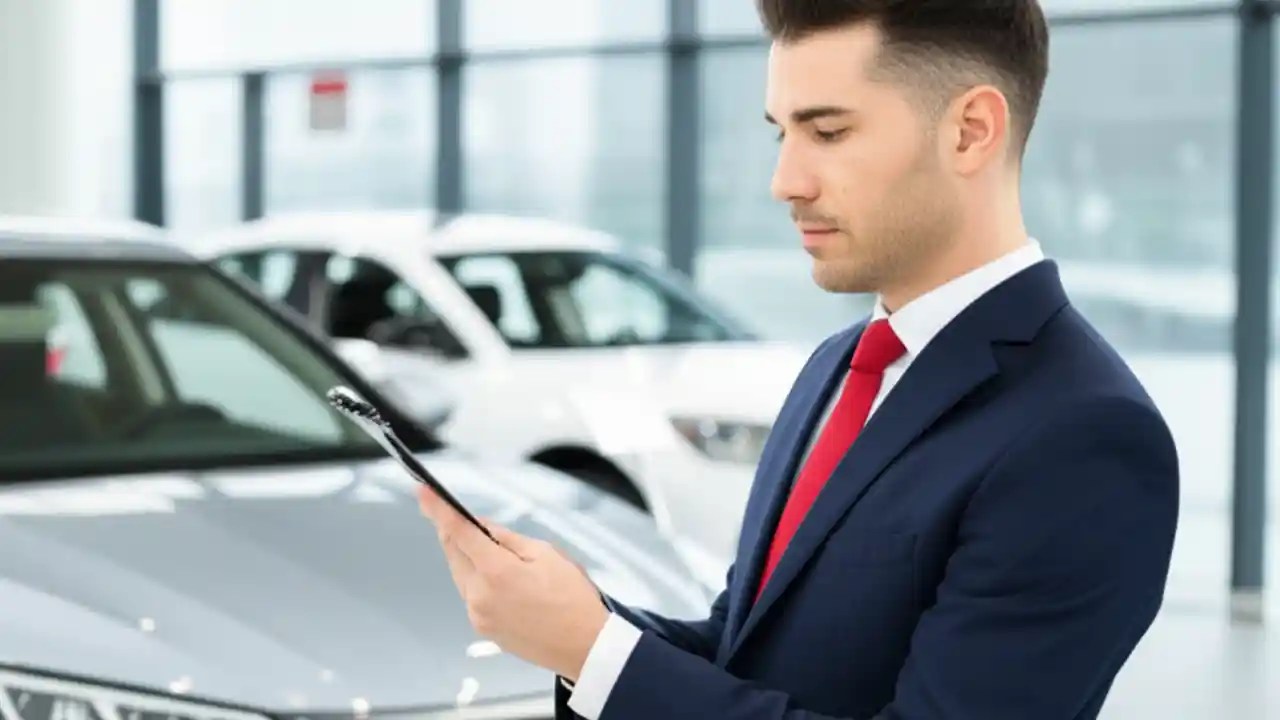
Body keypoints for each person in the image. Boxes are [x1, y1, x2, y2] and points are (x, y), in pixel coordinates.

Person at [414, 1, 1181, 717]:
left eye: (829, 132)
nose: (786, 182)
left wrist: (598, 651)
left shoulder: (1084, 436)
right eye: (782, 132)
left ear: (971, 131)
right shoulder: (840, 366)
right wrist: (571, 622)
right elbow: (746, 649)